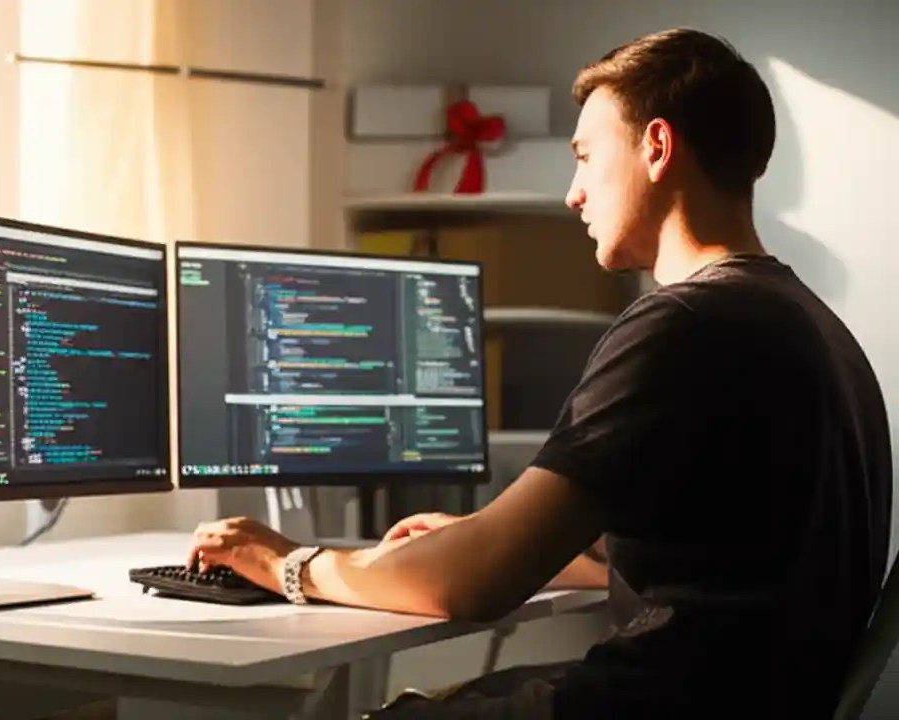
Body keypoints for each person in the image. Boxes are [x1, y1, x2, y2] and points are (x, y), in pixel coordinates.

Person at [187, 27, 893, 719]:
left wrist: (290, 563)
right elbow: (722, 568)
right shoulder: (809, 323)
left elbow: (474, 587)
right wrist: (487, 535)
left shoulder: (683, 325)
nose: (573, 194)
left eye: (585, 157)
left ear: (656, 147)